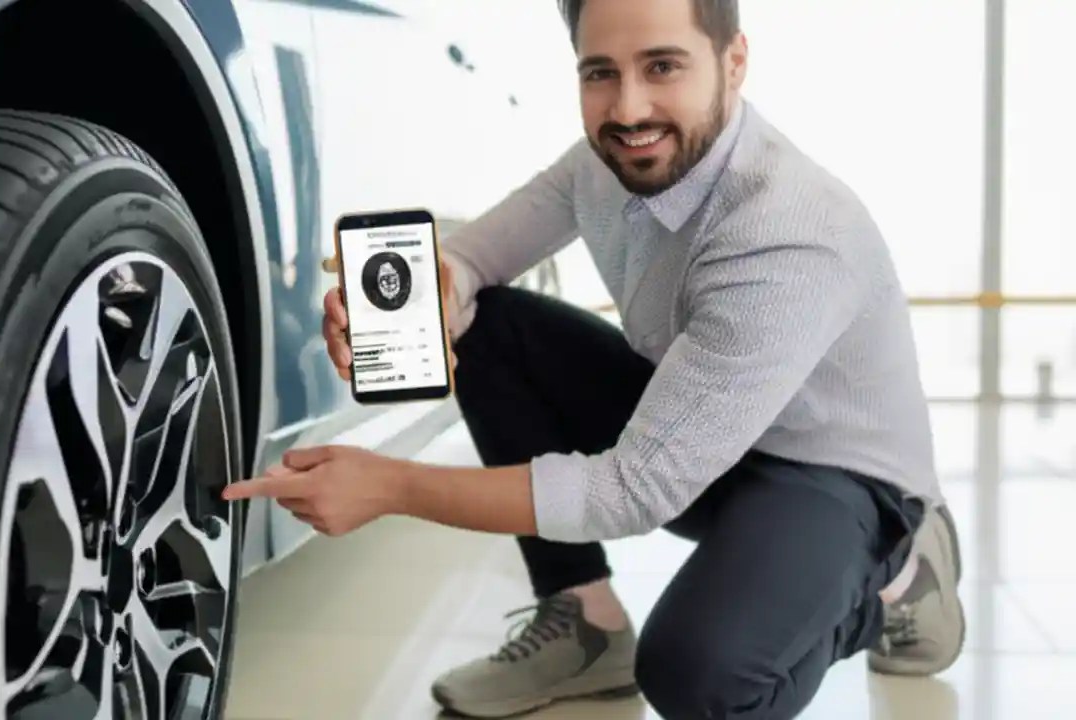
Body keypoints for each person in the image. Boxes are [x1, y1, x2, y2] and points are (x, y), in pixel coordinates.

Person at [223, 0, 966, 717]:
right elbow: (474, 262)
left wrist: (392, 487)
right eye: (599, 72)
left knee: (699, 675)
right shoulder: (603, 162)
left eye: (663, 66)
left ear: (733, 62)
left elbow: (630, 492)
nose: (628, 109)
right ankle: (583, 622)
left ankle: (893, 577)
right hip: (708, 437)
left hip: (835, 476)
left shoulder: (788, 233)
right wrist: (406, 315)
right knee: (491, 326)